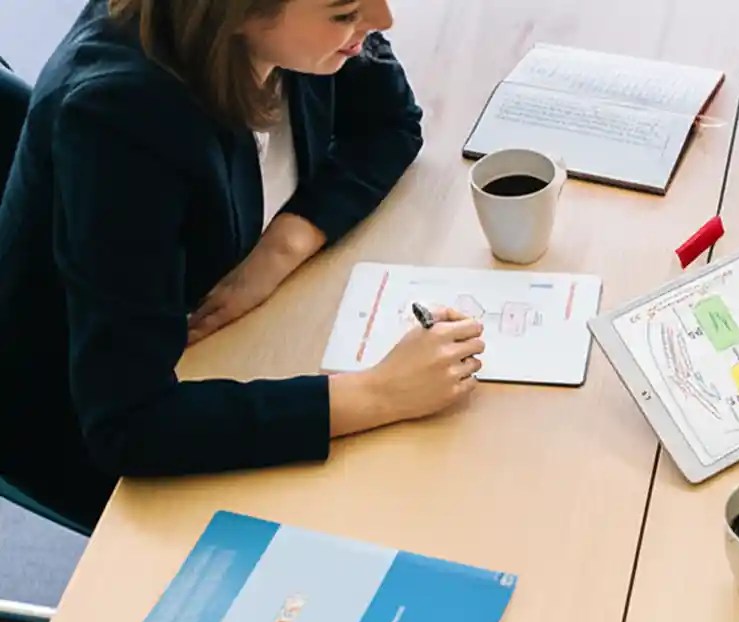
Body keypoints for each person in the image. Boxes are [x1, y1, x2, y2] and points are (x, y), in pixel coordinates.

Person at [0, 0, 485, 534]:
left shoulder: (302, 35)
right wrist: (376, 393)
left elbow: (390, 124)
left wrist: (282, 248)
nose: (382, 22)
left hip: (205, 333)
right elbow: (128, 424)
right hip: (71, 413)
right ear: (236, 14)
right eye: (344, 12)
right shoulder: (118, 119)